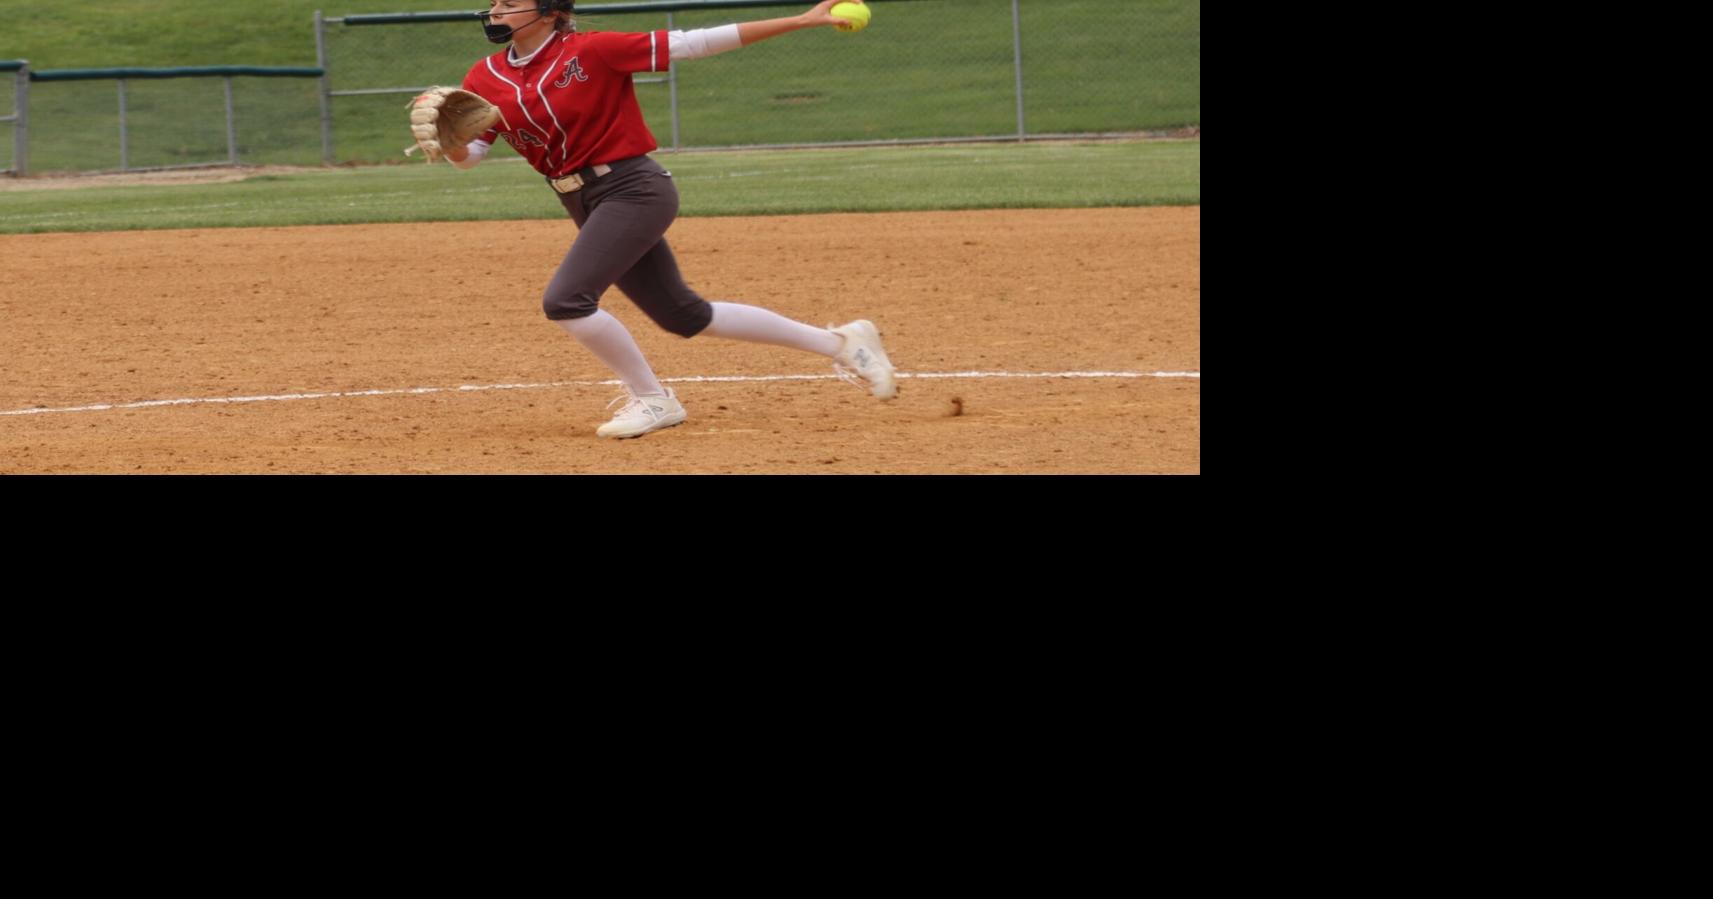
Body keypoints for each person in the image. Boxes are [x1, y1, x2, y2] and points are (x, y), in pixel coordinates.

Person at [439, 0, 897, 439]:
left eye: (510, 1)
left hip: (633, 189)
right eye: (494, 1)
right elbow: (472, 156)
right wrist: (450, 141)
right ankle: (843, 344)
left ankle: (653, 399)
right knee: (683, 315)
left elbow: (694, 43)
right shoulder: (485, 75)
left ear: (551, 11)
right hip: (580, 199)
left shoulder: (592, 50)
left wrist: (802, 20)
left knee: (567, 300)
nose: (496, 10)